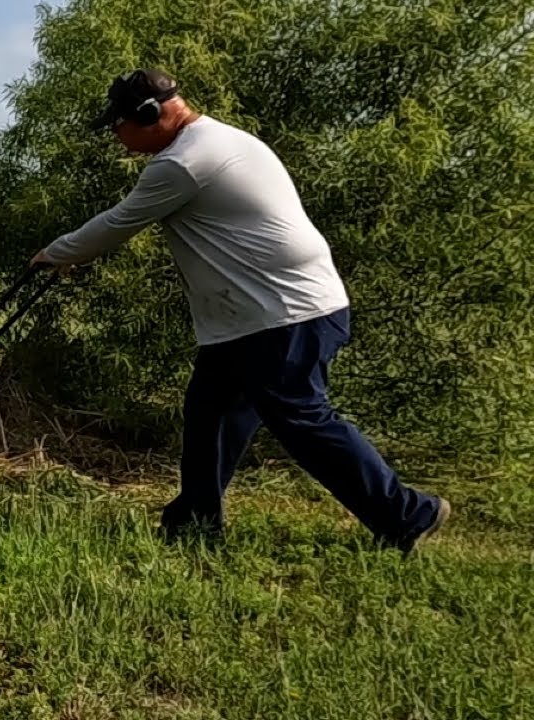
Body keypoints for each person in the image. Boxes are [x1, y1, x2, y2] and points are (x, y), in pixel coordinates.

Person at [30, 68, 450, 555]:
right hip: (252, 319)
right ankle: (193, 526)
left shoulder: (184, 162)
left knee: (303, 420)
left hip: (284, 313)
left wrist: (54, 254)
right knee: (211, 416)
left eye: (119, 124)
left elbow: (119, 222)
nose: (117, 136)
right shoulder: (223, 140)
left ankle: (406, 515)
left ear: (150, 115)